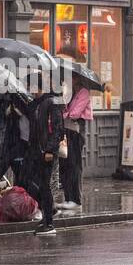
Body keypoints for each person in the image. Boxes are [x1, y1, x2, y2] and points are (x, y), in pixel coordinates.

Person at [25, 76, 64, 237]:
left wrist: (49, 150)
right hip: (36, 151)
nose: (30, 90)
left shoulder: (51, 103)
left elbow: (57, 130)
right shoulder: (38, 103)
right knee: (30, 183)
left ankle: (49, 222)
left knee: (45, 186)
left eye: (31, 87)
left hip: (45, 152)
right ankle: (48, 212)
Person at [57, 81, 92, 213]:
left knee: (74, 165)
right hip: (66, 131)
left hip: (76, 133)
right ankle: (68, 198)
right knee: (65, 165)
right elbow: (64, 109)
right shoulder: (70, 93)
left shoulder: (83, 93)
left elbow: (74, 114)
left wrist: (64, 114)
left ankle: (76, 199)